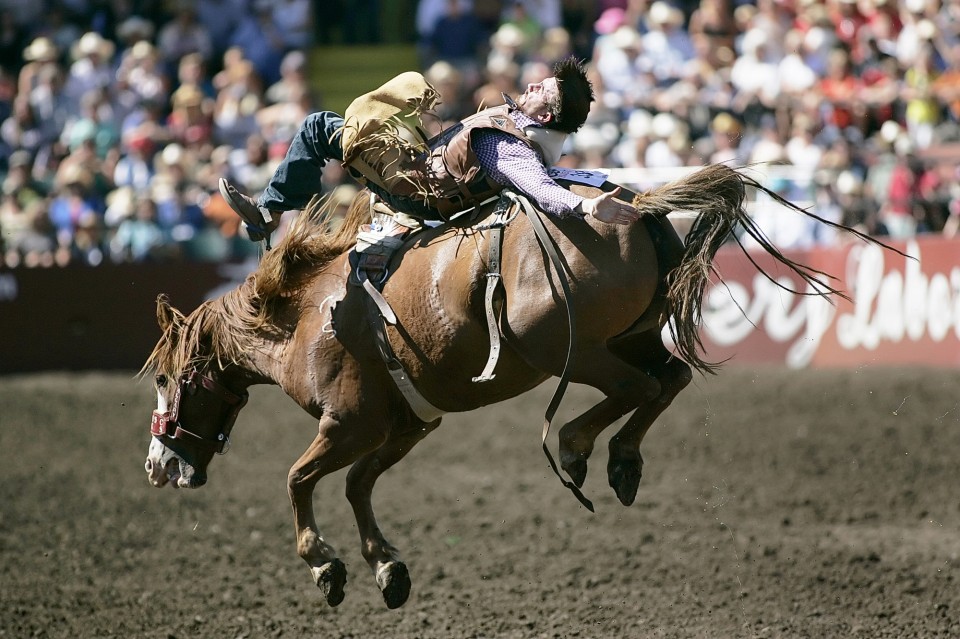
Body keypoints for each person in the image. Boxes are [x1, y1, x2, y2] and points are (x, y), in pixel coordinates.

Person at [219, 56, 640, 242]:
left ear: (545, 117)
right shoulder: (518, 131)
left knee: (317, 126)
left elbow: (541, 189)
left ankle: (268, 214)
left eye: (541, 90)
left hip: (414, 190)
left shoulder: (511, 147)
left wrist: (586, 207)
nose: (531, 85)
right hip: (422, 173)